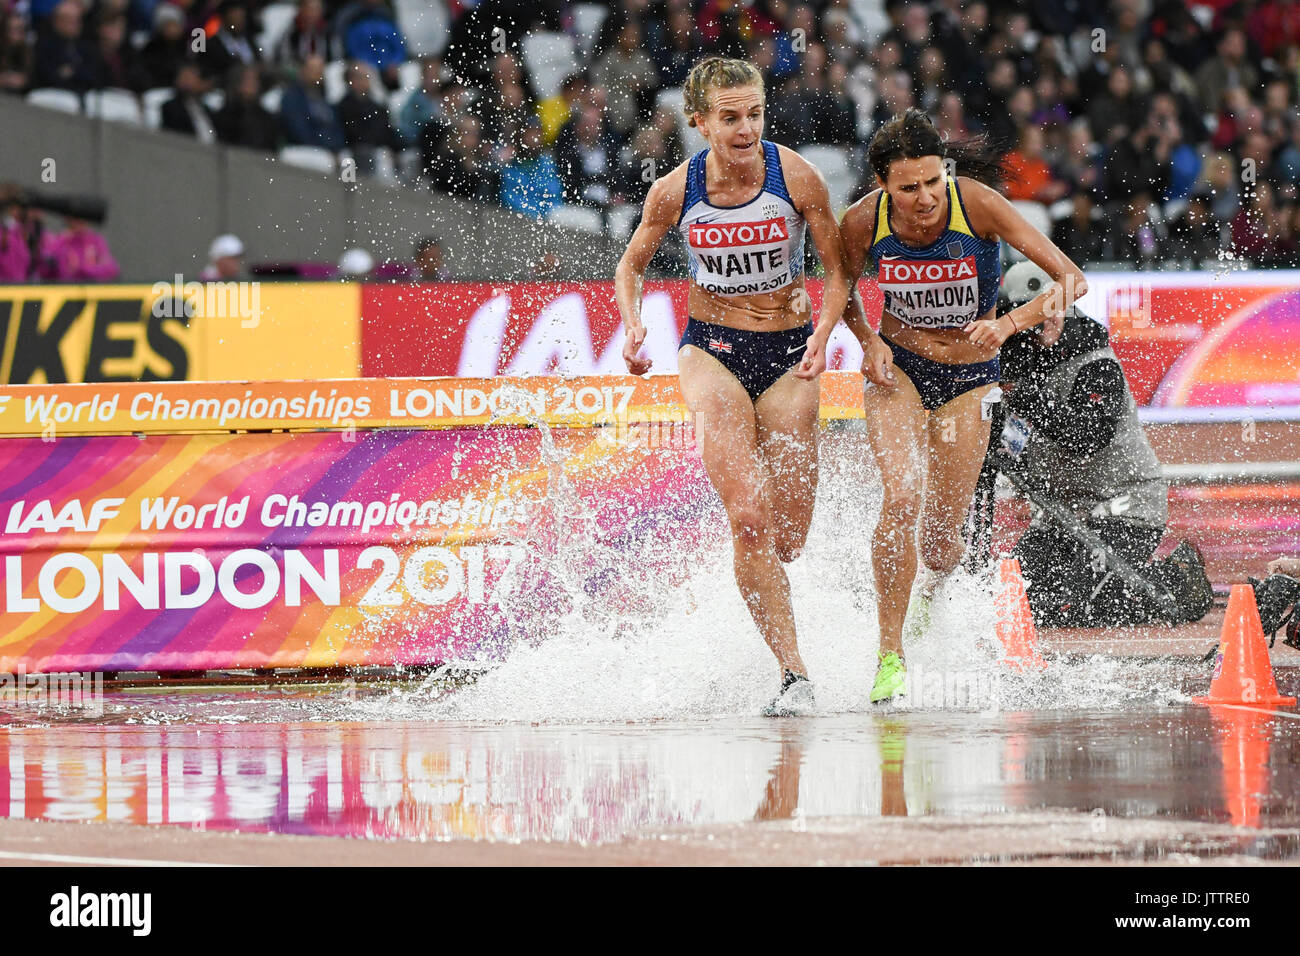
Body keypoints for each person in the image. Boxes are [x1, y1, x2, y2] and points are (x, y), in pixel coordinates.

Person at [615, 57, 850, 717]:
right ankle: (793, 677)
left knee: (789, 537)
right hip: (711, 350)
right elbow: (629, 266)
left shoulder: (797, 176)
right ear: (700, 121)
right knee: (749, 517)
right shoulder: (672, 191)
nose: (745, 129)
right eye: (730, 117)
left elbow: (837, 269)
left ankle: (751, 629)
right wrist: (633, 326)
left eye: (754, 115)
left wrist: (824, 330)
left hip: (789, 353)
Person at [838, 108, 1087, 704]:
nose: (924, 198)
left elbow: (1071, 279)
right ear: (883, 185)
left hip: (970, 378)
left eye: (931, 181)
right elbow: (838, 291)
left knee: (943, 542)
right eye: (908, 187)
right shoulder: (861, 221)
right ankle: (889, 654)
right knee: (900, 496)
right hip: (899, 371)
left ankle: (924, 607)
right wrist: (868, 341)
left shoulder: (974, 203)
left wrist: (1009, 323)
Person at [973, 261, 1214, 629]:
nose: (1035, 332)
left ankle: (1177, 581)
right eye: (1023, 322)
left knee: (1070, 606)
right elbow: (1007, 448)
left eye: (1042, 318)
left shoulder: (1097, 365)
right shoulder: (1018, 366)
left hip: (1126, 508)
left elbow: (1085, 438)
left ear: (1064, 313)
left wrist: (1024, 398)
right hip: (1061, 514)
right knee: (1015, 600)